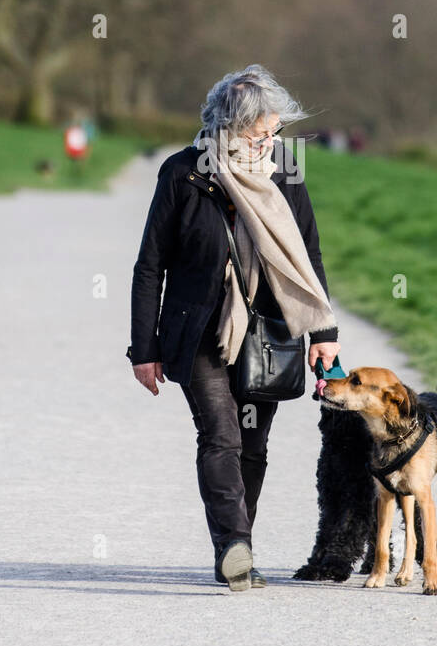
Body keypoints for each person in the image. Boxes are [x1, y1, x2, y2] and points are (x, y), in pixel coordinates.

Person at [127, 66, 340, 591]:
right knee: (219, 435)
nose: (268, 141)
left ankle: (239, 543)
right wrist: (143, 348)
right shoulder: (184, 173)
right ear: (227, 126)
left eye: (273, 132)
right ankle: (234, 548)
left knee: (253, 443)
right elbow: (150, 264)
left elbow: (305, 255)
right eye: (257, 133)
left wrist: (323, 334)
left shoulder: (284, 172)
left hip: (267, 330)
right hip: (198, 329)